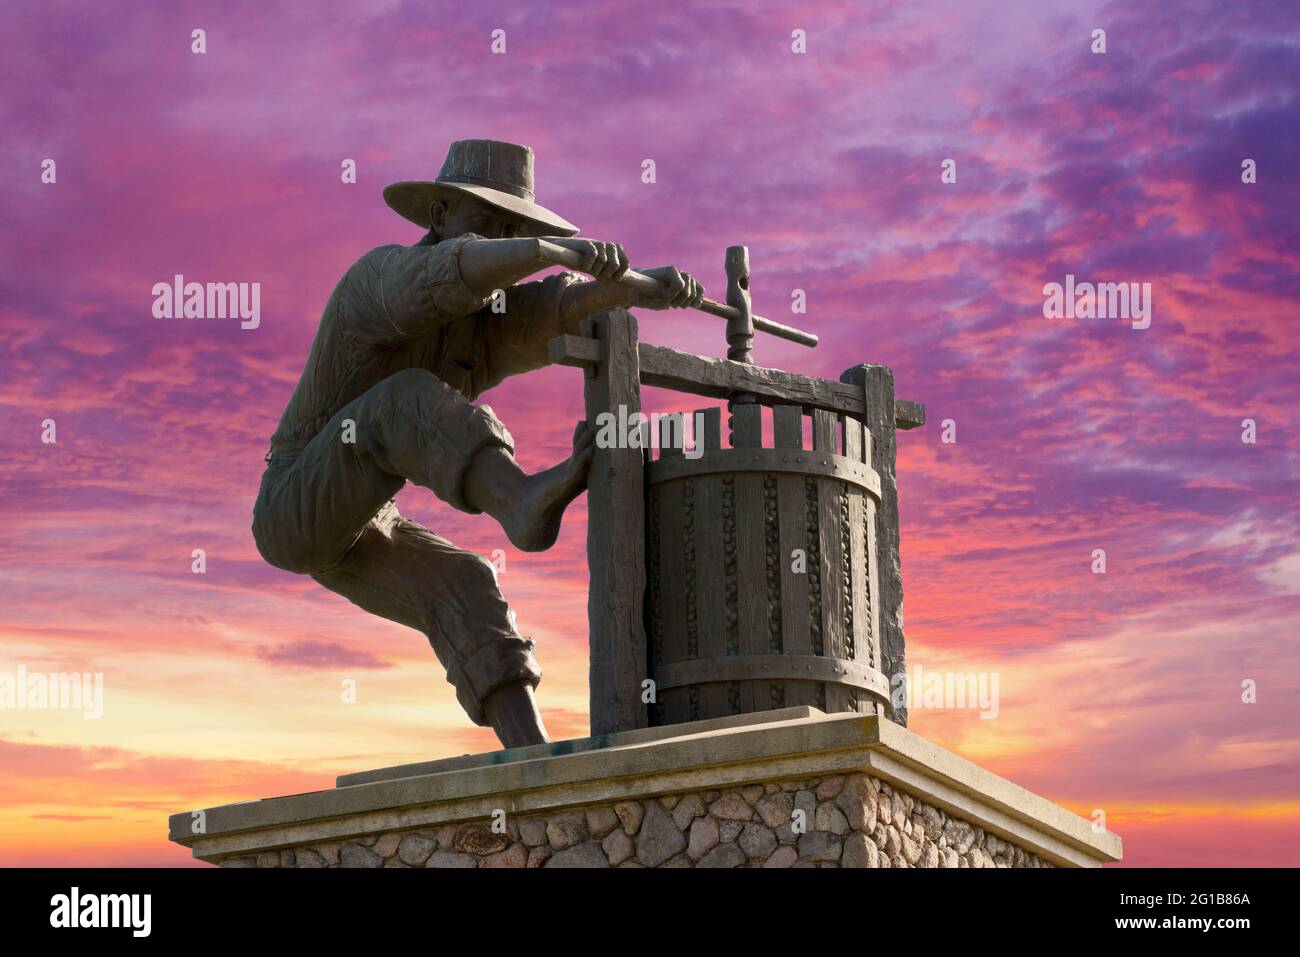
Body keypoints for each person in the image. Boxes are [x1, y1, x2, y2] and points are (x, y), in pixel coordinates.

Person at [252, 139, 704, 747]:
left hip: (364, 521)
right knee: (405, 396)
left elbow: (550, 309)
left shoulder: (482, 327)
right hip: (295, 504)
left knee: (465, 584)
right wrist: (547, 248)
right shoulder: (377, 281)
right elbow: (443, 275)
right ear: (439, 217)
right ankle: (516, 499)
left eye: (510, 226)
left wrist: (631, 289)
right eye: (484, 220)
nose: (497, 236)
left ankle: (533, 760)